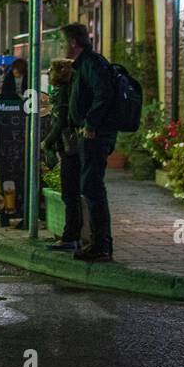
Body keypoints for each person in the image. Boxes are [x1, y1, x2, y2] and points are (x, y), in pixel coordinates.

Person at [62, 23, 117, 262]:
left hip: (95, 136)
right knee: (89, 187)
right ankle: (98, 243)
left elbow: (104, 94)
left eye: (65, 42)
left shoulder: (92, 63)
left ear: (74, 42)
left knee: (93, 188)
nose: (64, 47)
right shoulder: (85, 64)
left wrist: (91, 124)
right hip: (88, 135)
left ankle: (101, 245)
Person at [42, 58, 81, 250]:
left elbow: (61, 122)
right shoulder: (68, 90)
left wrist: (47, 142)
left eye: (51, 70)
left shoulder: (65, 92)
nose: (48, 73)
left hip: (69, 148)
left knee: (69, 192)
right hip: (70, 147)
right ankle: (74, 235)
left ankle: (70, 237)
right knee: (73, 191)